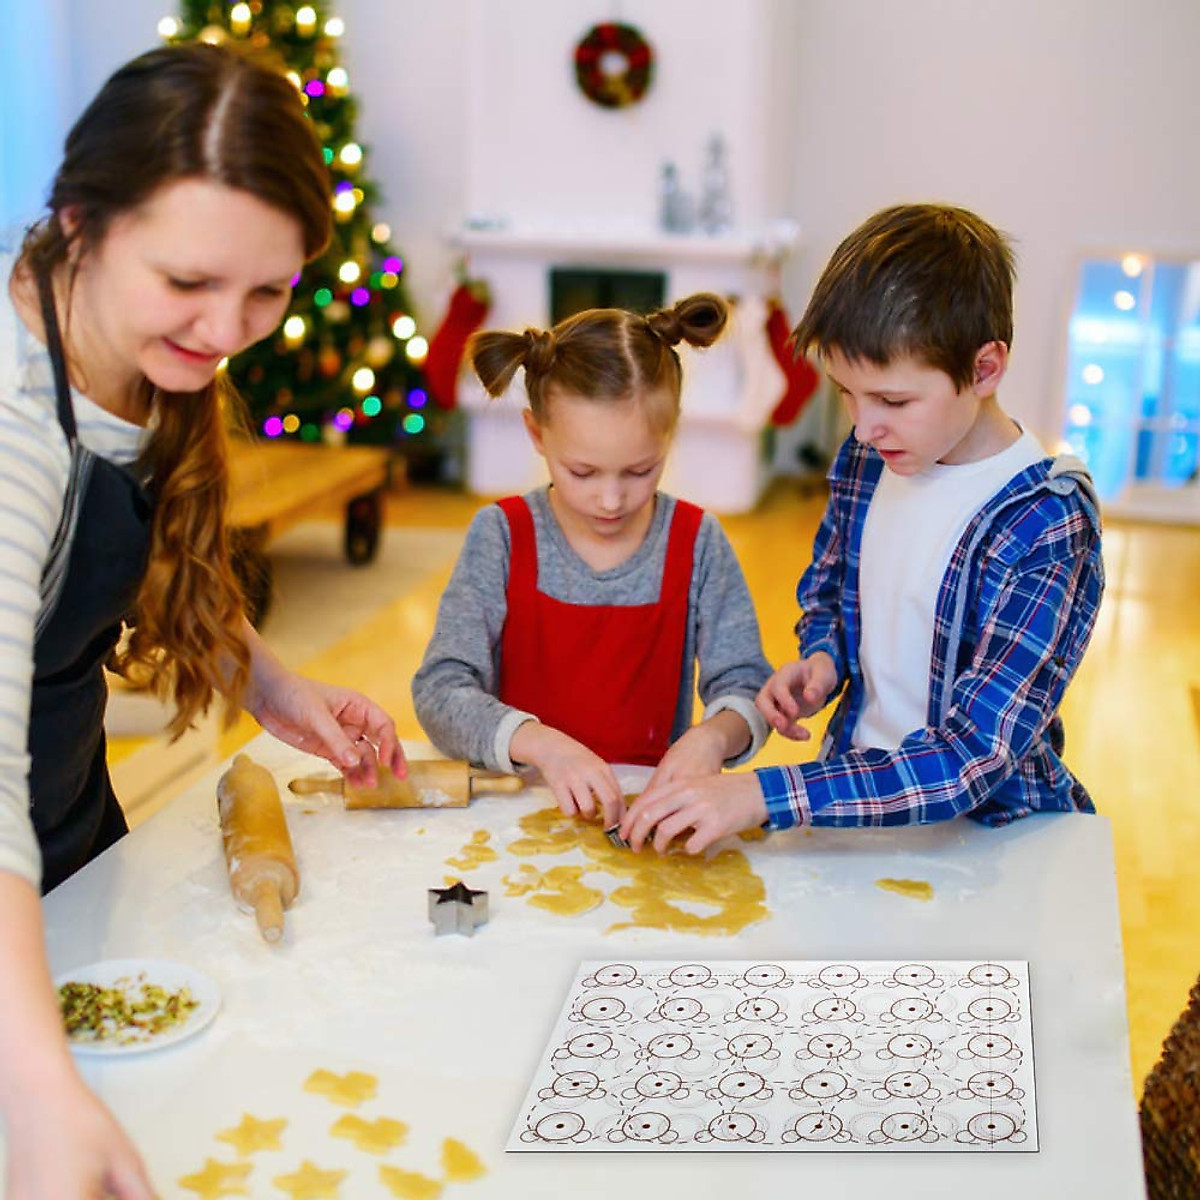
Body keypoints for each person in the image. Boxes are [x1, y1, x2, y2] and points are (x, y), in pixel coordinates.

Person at [1, 43, 406, 1199]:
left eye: (268, 292)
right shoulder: (14, 425)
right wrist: (38, 1095)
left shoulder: (134, 348)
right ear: (79, 223)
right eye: (188, 281)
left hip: (67, 823)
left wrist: (272, 686)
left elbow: (156, 568)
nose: (227, 327)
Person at [621, 203, 1104, 854]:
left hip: (990, 839)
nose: (865, 425)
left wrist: (764, 793)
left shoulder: (1047, 521)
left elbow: (972, 756)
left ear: (985, 369)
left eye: (893, 400)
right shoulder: (872, 457)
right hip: (858, 805)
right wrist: (824, 657)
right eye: (846, 392)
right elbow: (833, 591)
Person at [412, 294, 772, 826]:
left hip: (644, 815)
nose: (611, 499)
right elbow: (440, 691)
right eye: (583, 472)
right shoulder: (503, 535)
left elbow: (747, 685)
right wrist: (543, 745)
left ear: (671, 431)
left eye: (640, 470)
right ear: (536, 434)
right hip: (515, 813)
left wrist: (713, 738)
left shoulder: (698, 542)